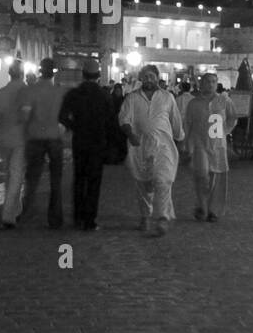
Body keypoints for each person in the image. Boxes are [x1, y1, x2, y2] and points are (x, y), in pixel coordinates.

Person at [119, 64, 185, 236]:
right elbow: (124, 119)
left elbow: (176, 121)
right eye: (146, 76)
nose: (149, 79)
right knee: (144, 184)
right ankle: (145, 215)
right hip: (139, 147)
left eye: (152, 76)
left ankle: (163, 217)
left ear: (157, 78)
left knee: (163, 180)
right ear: (141, 78)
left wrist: (180, 139)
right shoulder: (132, 98)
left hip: (163, 146)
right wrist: (130, 133)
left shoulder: (167, 97)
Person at [58, 58, 112, 231]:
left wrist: (74, 126)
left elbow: (62, 116)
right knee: (94, 182)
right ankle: (90, 220)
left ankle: (78, 217)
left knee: (79, 179)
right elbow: (111, 120)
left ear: (83, 74)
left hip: (80, 141)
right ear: (98, 75)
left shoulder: (74, 94)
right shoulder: (104, 95)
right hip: (97, 142)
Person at [20, 57, 67, 228]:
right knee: (56, 179)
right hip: (54, 136)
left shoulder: (31, 90)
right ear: (54, 73)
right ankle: (55, 218)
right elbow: (64, 116)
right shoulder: (59, 91)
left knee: (32, 178)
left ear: (40, 71)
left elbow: (25, 115)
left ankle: (26, 212)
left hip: (35, 136)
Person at [184, 72, 237, 222]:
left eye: (213, 81)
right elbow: (188, 124)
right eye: (207, 81)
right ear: (201, 84)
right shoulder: (193, 104)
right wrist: (187, 144)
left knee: (216, 177)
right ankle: (202, 205)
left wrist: (224, 131)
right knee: (202, 175)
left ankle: (213, 209)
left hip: (218, 145)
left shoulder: (224, 101)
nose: (210, 84)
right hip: (199, 144)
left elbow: (232, 118)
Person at [0, 60, 29, 228]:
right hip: (21, 138)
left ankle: (15, 208)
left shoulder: (0, 93)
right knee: (16, 175)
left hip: (3, 137)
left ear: (9, 73)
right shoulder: (27, 92)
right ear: (22, 73)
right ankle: (8, 213)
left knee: (8, 174)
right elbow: (26, 117)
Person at [175, 80, 195, 164]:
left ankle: (181, 154)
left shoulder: (178, 98)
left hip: (181, 120)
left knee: (181, 137)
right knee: (190, 137)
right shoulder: (193, 99)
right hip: (191, 120)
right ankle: (190, 153)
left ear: (182, 88)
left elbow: (175, 111)